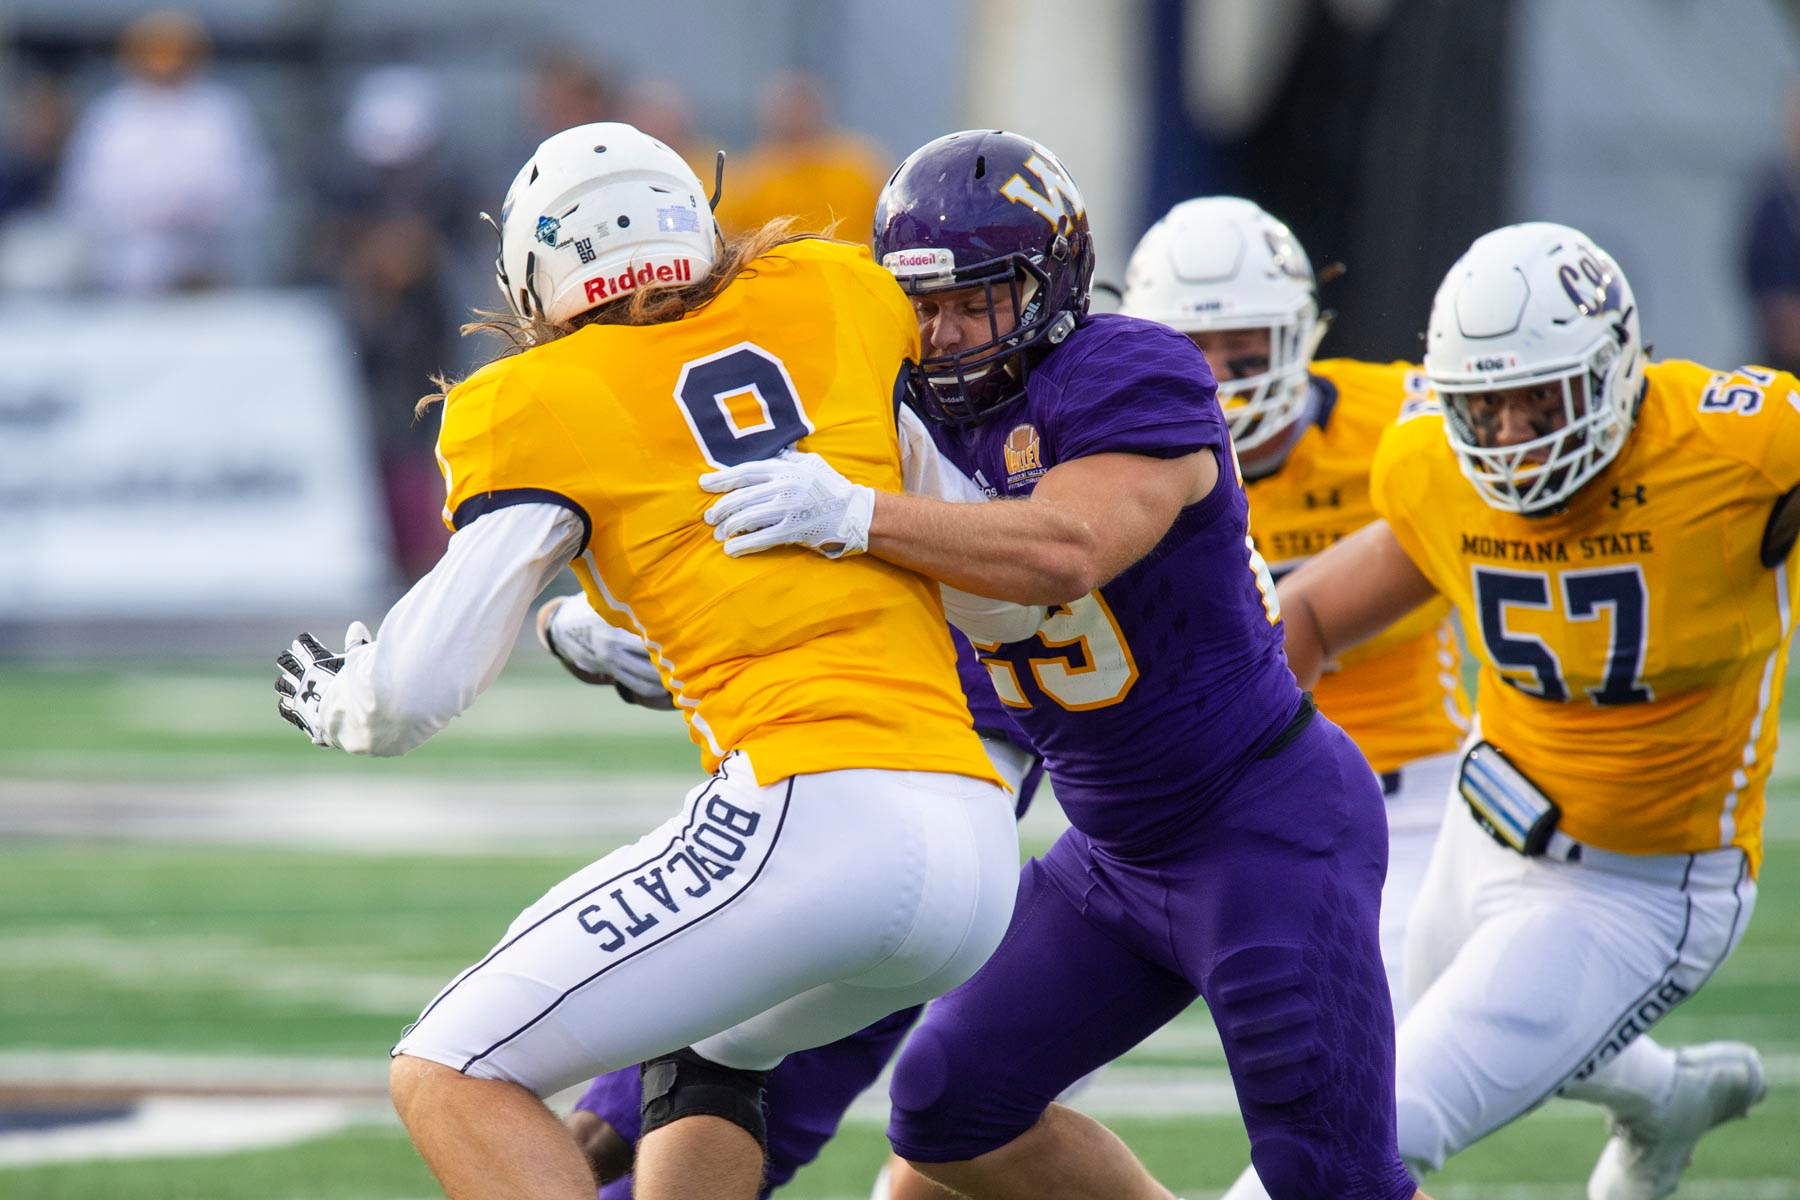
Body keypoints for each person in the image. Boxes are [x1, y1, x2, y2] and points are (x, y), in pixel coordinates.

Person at [272, 121, 1042, 1200]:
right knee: (710, 1048)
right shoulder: (832, 293)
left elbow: (410, 693)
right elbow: (998, 601)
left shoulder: (534, 399)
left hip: (814, 810)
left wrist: (339, 701)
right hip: (977, 839)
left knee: (448, 1070)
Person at [698, 129, 1427, 1200]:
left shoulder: (1129, 371)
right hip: (1115, 856)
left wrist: (856, 513)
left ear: (1051, 285)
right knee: (947, 1110)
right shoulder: (902, 407)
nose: (943, 331)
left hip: (1262, 827)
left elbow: (1065, 550)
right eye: (921, 304)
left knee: (1330, 1178)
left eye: (975, 299)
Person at [1269, 222, 1772, 1200]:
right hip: (1485, 821)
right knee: (1423, 1042)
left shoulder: (1737, 451)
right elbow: (1312, 615)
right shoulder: (1431, 466)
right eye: (1483, 406)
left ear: (1616, 366)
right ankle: (1667, 1098)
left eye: (1541, 398)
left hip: (1639, 885)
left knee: (1358, 1128)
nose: (1511, 437)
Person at [536, 593, 1044, 1199]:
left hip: (850, 804)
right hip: (961, 856)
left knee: (673, 1086)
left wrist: (573, 622)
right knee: (692, 1100)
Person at [1120, 195, 1471, 1022]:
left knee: (1398, 1036)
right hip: (1185, 797)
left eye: (1245, 347)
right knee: (1004, 1050)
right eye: (1191, 347)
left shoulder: (1406, 423)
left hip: (1398, 795)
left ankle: (1644, 1076)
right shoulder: (1105, 453)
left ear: (1302, 333)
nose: (1219, 376)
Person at [56, 9, 274, 292]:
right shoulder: (111, 116)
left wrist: (194, 209)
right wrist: (149, 210)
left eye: (176, 51)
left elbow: (250, 188)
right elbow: (85, 193)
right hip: (126, 268)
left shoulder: (222, 111)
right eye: (155, 51)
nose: (165, 60)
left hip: (208, 264)